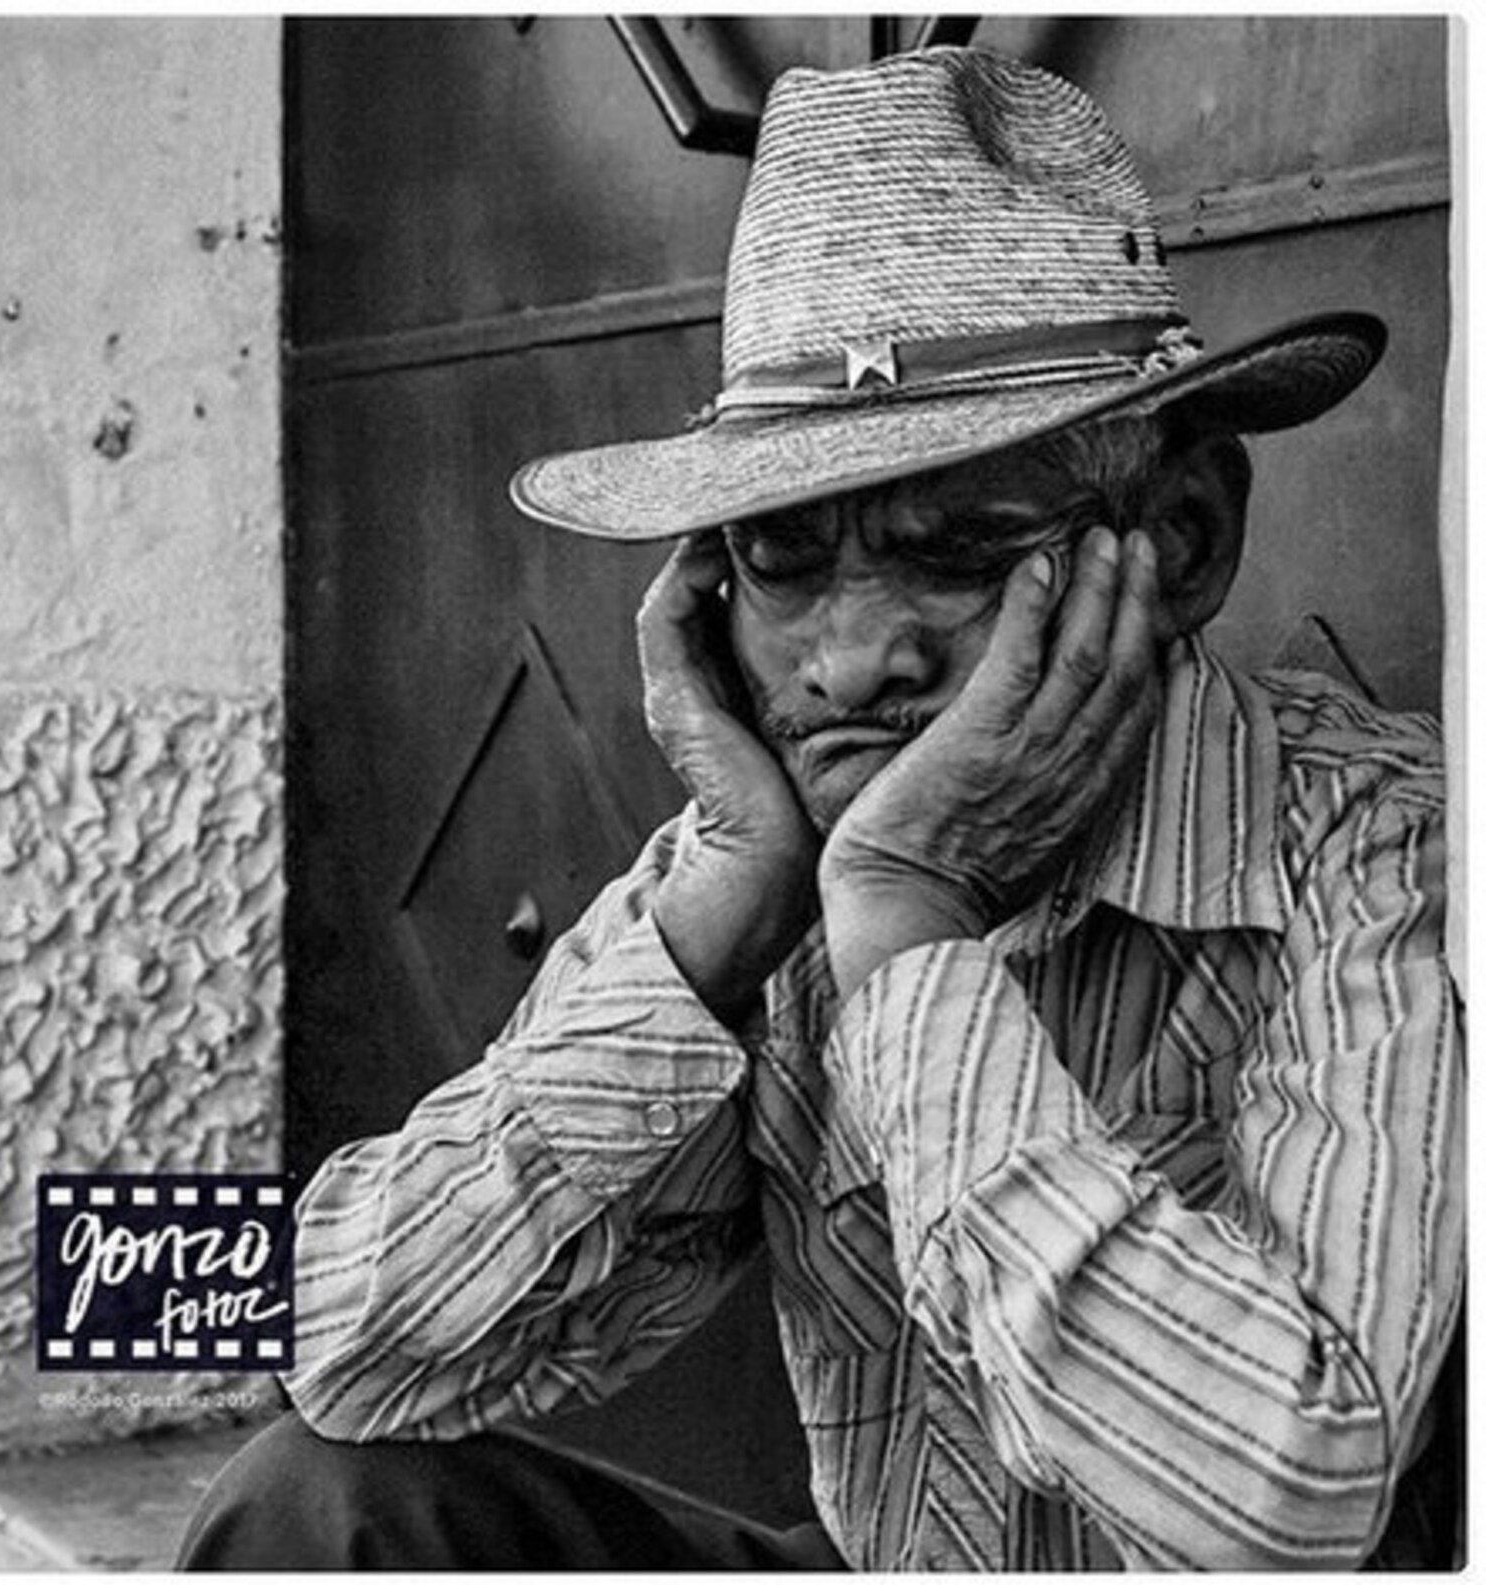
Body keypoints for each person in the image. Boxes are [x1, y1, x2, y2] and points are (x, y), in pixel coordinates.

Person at [180, 45, 1462, 1571]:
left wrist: (911, 935)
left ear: (1179, 540)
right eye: (785, 561)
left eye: (960, 547)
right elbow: (330, 1336)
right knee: (315, 1507)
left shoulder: (1382, 847)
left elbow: (1294, 1497)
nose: (854, 657)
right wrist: (707, 939)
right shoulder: (755, 862)